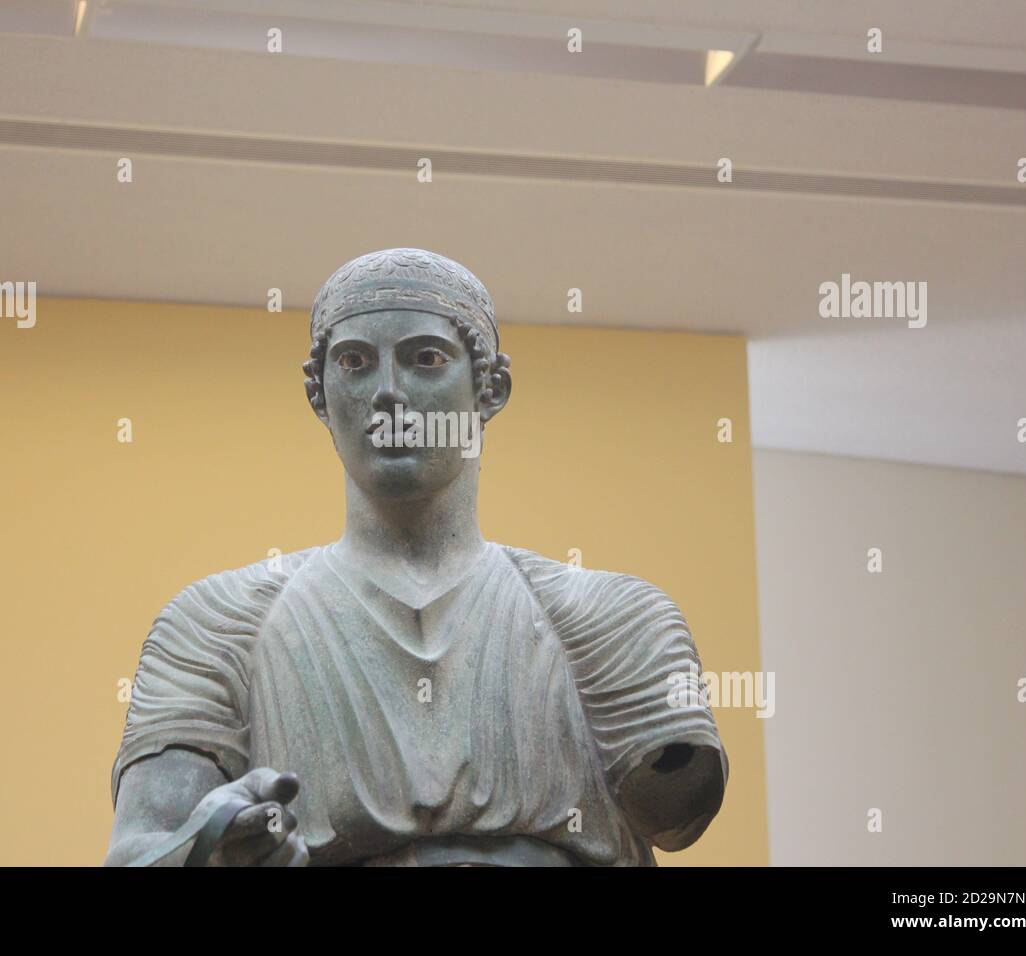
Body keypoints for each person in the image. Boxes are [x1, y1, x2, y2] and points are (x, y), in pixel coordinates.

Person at [104, 248, 727, 867]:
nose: (388, 395)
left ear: (490, 388)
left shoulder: (611, 619)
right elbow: (138, 853)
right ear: (319, 394)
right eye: (354, 362)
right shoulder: (217, 624)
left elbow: (675, 815)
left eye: (426, 359)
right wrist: (212, 844)